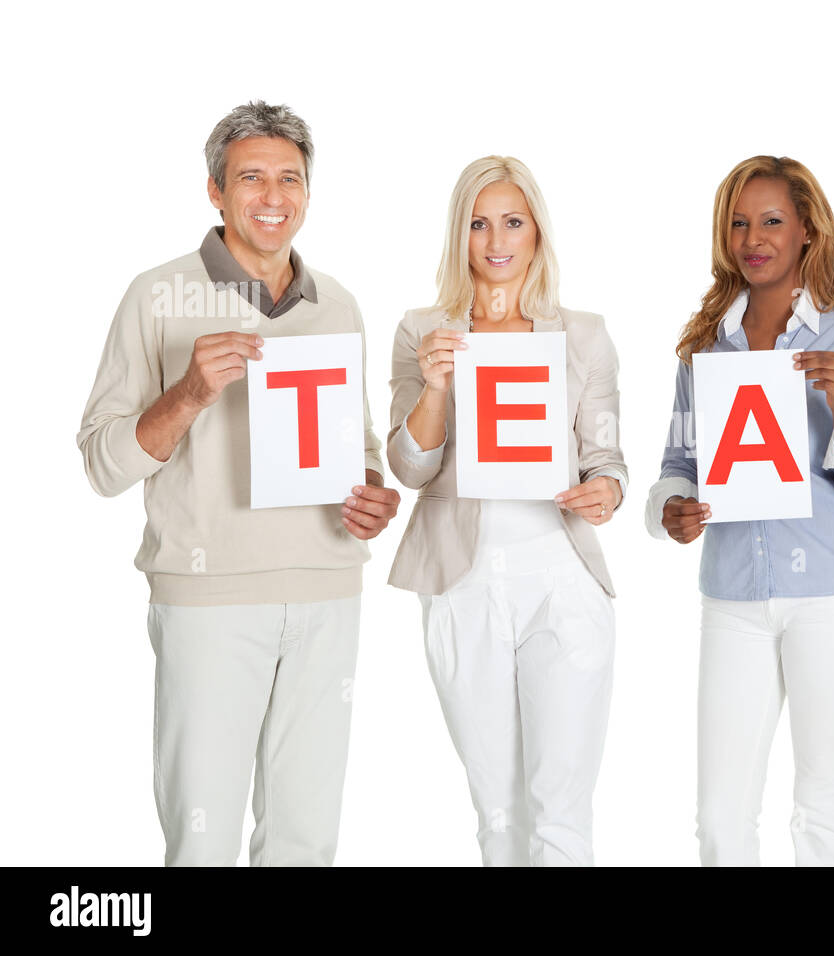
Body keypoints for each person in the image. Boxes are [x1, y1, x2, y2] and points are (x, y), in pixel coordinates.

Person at [77, 101, 400, 866]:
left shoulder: (340, 305)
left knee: (306, 840)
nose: (273, 195)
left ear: (308, 194)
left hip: (327, 590)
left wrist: (372, 493)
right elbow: (100, 463)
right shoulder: (158, 297)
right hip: (210, 599)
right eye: (250, 177)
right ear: (215, 192)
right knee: (202, 839)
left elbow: (358, 447)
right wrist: (187, 392)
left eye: (290, 178)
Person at [646, 156, 834, 866]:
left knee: (823, 807)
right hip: (733, 596)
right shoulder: (704, 348)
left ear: (807, 232)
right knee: (721, 818)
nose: (753, 237)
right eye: (738, 222)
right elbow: (677, 467)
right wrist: (673, 511)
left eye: (772, 221)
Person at [386, 156, 627, 867]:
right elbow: (409, 467)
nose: (496, 239)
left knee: (563, 813)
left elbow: (606, 458)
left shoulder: (583, 336)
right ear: (458, 235)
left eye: (513, 222)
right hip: (462, 581)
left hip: (563, 578)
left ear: (537, 233)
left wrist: (605, 491)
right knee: (498, 814)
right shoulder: (422, 332)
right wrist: (433, 388)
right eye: (478, 223)